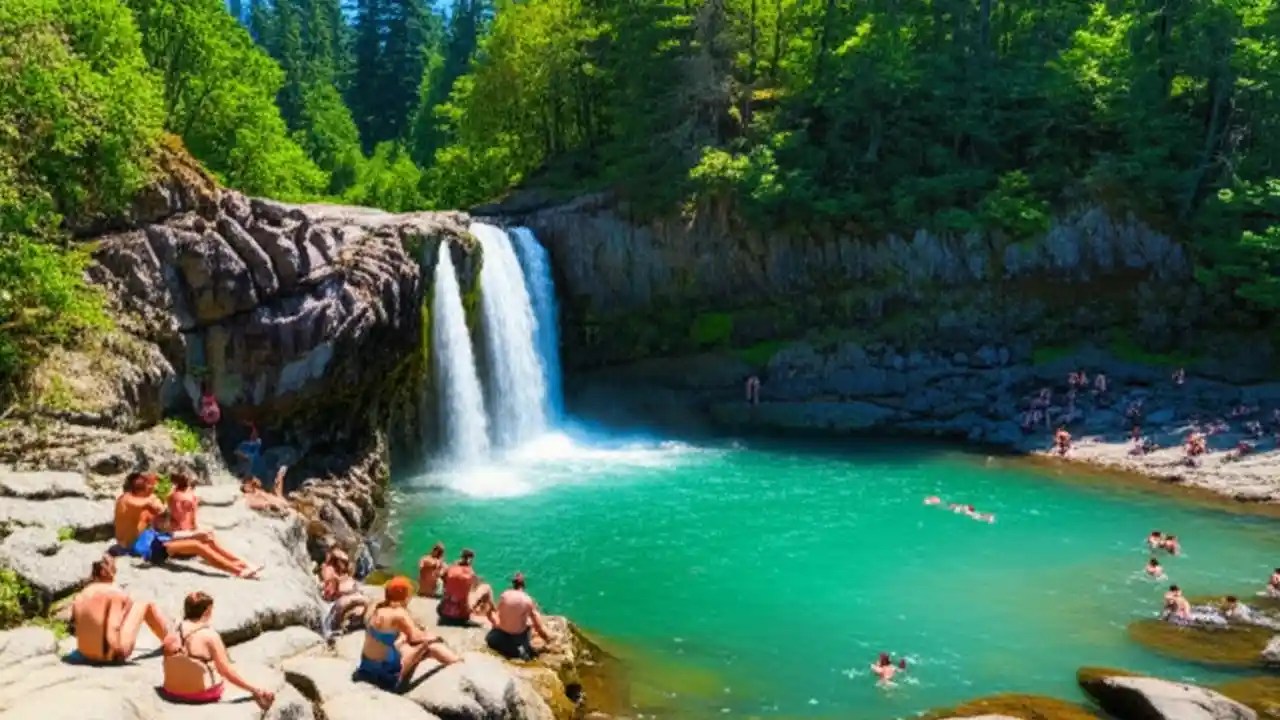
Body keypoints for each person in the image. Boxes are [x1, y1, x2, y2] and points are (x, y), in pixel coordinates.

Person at [115, 472, 260, 578]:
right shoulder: (126, 501)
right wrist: (153, 501)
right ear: (140, 490)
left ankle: (242, 564)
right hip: (142, 549)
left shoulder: (145, 502)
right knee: (196, 545)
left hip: (155, 539)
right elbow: (138, 502)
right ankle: (237, 571)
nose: (153, 491)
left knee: (207, 538)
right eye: (150, 488)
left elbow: (163, 530)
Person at [162, 591, 275, 708]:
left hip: (170, 690)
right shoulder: (210, 635)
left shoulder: (173, 627)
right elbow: (225, 671)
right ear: (207, 611)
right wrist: (255, 690)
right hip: (198, 694)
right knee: (218, 665)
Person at [358, 576, 461, 691]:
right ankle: (458, 664)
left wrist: (404, 635)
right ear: (405, 596)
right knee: (431, 647)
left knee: (401, 642)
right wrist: (435, 637)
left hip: (366, 667)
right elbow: (416, 637)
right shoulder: (399, 613)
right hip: (385, 677)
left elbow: (386, 635)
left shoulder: (375, 607)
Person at [69, 556, 169, 664]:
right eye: (113, 567)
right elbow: (113, 626)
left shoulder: (81, 595)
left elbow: (77, 627)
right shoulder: (115, 593)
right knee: (145, 605)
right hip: (109, 655)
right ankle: (171, 640)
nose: (115, 570)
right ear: (103, 571)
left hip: (85, 653)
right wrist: (117, 652)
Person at [486, 573, 553, 661]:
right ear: (523, 585)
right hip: (515, 642)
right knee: (529, 623)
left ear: (513, 584)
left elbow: (498, 614)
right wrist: (548, 640)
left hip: (497, 639)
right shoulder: (527, 600)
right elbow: (538, 626)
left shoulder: (504, 595)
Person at [320, 549, 368, 643]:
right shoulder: (329, 570)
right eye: (341, 561)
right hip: (340, 600)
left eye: (345, 562)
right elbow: (330, 592)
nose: (344, 564)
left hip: (351, 599)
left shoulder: (344, 575)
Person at [438, 549, 494, 627]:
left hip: (444, 612)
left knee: (459, 591)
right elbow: (474, 585)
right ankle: (493, 613)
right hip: (461, 615)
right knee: (486, 587)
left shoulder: (451, 568)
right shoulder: (469, 572)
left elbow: (442, 576)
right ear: (470, 559)